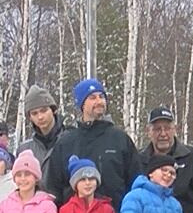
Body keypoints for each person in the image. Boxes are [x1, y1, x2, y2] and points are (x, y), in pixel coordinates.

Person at [44, 77, 139, 205]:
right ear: (81, 104)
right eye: (92, 98)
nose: (99, 101)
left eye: (101, 96)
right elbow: (54, 188)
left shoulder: (120, 139)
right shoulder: (66, 143)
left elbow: (135, 183)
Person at [19, 85, 64, 167]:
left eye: (43, 111)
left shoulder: (71, 140)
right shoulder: (25, 150)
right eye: (34, 113)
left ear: (53, 110)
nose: (40, 117)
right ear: (30, 117)